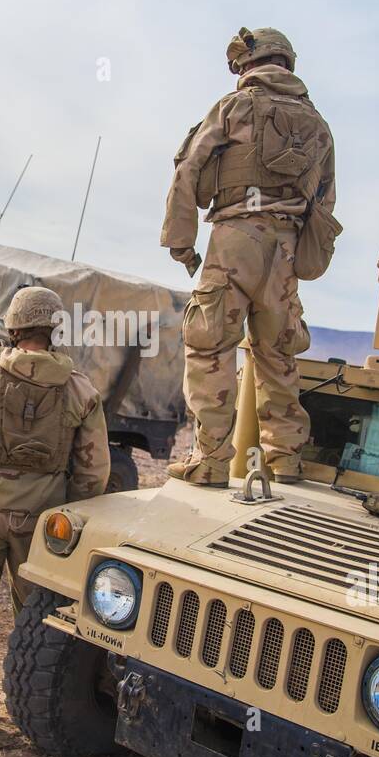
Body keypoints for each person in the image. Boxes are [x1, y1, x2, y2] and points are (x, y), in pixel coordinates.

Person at [162, 27, 340, 485]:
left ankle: (212, 461)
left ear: (249, 63)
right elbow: (325, 201)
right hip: (286, 249)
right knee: (278, 355)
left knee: (209, 346)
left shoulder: (234, 106)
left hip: (237, 237)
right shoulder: (319, 126)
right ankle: (286, 460)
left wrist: (182, 241)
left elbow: (189, 169)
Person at [0, 286, 109, 737]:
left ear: (13, 327)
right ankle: (33, 712)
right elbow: (94, 472)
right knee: (39, 621)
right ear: (55, 330)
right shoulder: (81, 390)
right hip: (42, 526)